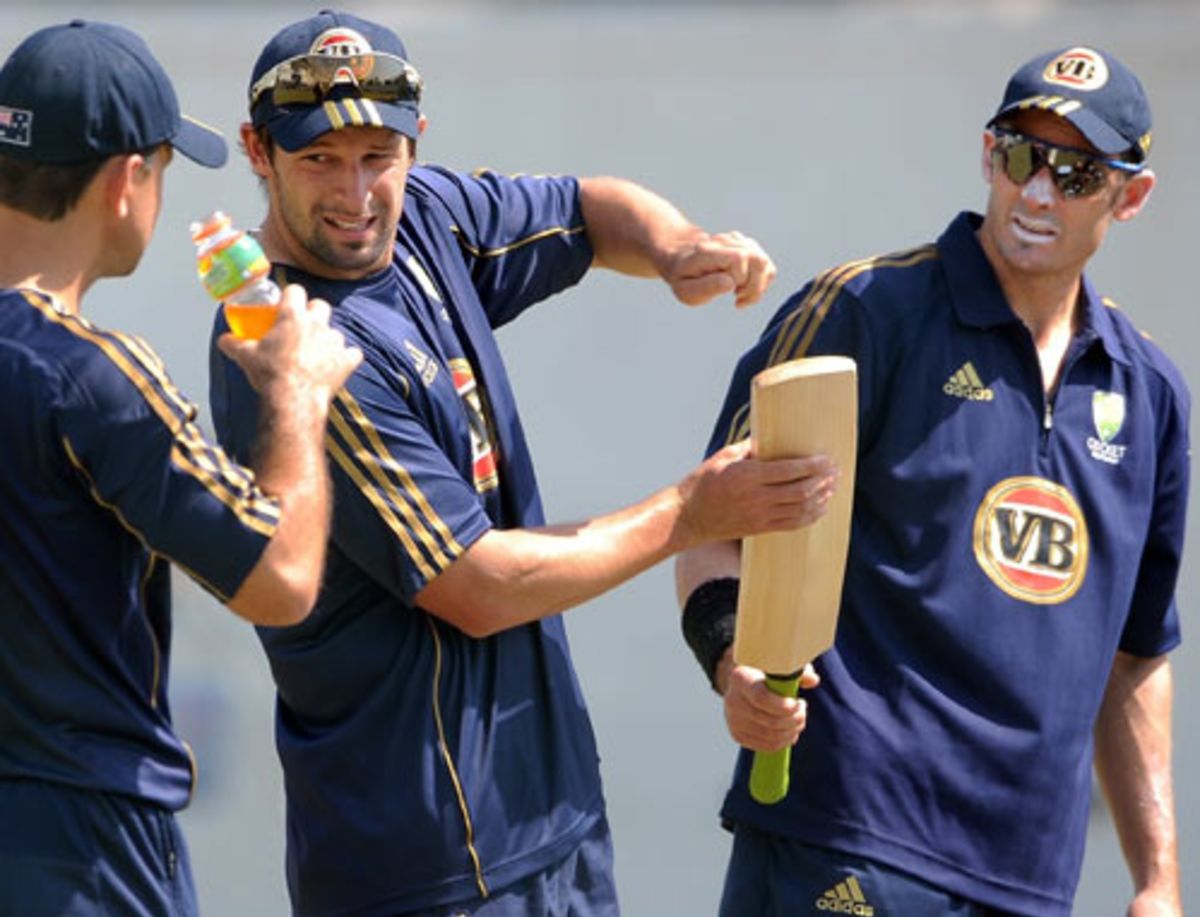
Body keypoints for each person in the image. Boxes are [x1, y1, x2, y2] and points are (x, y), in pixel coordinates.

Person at [206, 9, 839, 916]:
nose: (356, 192)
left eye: (378, 154)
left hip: (549, 818)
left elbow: (587, 209)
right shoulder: (296, 348)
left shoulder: (423, 218)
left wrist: (674, 247)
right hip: (428, 861)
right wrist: (692, 514)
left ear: (415, 140)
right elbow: (476, 586)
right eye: (318, 159)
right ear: (257, 152)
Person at [676, 45, 1186, 917]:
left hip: (1027, 880)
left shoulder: (1150, 392)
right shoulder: (865, 311)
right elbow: (710, 523)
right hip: (847, 838)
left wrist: (1159, 880)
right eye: (1021, 156)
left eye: (1075, 173)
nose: (1037, 193)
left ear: (1129, 197)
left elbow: (1136, 656)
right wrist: (734, 663)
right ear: (988, 155)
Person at [0, 19, 361, 917]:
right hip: (79, 847)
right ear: (127, 181)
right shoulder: (90, 376)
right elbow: (281, 579)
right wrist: (298, 395)